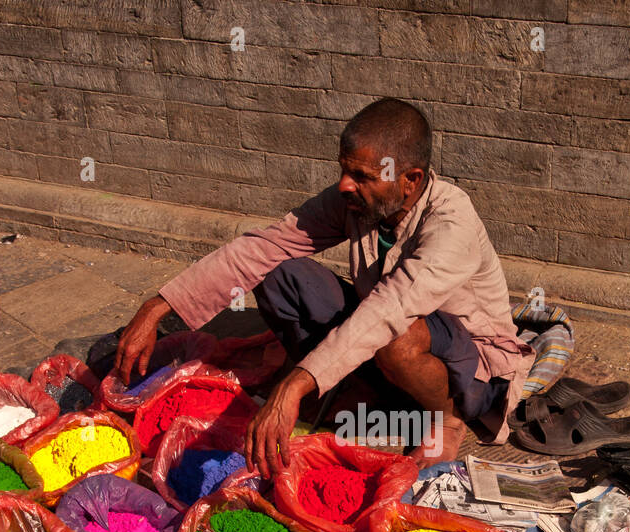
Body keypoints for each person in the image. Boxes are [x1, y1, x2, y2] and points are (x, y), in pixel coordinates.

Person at [115, 97, 533, 477]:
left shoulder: (451, 224)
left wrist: (292, 386)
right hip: (378, 329)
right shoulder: (358, 200)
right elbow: (268, 245)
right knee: (278, 269)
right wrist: (157, 307)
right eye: (344, 170)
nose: (344, 185)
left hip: (469, 364)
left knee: (397, 337)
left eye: (361, 176)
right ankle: (353, 388)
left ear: (410, 179)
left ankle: (446, 417)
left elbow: (390, 309)